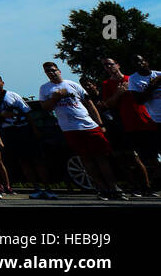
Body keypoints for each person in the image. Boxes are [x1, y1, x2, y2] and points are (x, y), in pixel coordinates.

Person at [38, 61, 123, 200]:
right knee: (86, 159)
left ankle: (114, 187)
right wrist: (55, 98)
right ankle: (101, 188)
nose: (51, 73)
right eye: (48, 71)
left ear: (59, 71)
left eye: (53, 70)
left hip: (88, 125)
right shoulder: (45, 89)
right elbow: (45, 107)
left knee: (102, 157)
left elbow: (89, 103)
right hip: (70, 129)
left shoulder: (72, 84)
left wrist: (100, 123)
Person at [0, 71, 56, 198]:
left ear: (2, 82)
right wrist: (1, 115)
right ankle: (36, 188)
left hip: (24, 129)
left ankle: (48, 188)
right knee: (24, 161)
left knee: (37, 159)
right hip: (10, 131)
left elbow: (27, 112)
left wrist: (34, 129)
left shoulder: (13, 95)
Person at [101, 56, 157, 193]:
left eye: (110, 64)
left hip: (146, 120)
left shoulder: (131, 79)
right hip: (126, 123)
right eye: (105, 66)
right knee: (131, 157)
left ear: (118, 65)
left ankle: (149, 186)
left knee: (151, 157)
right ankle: (138, 186)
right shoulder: (107, 84)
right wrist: (118, 93)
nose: (108, 67)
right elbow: (108, 104)